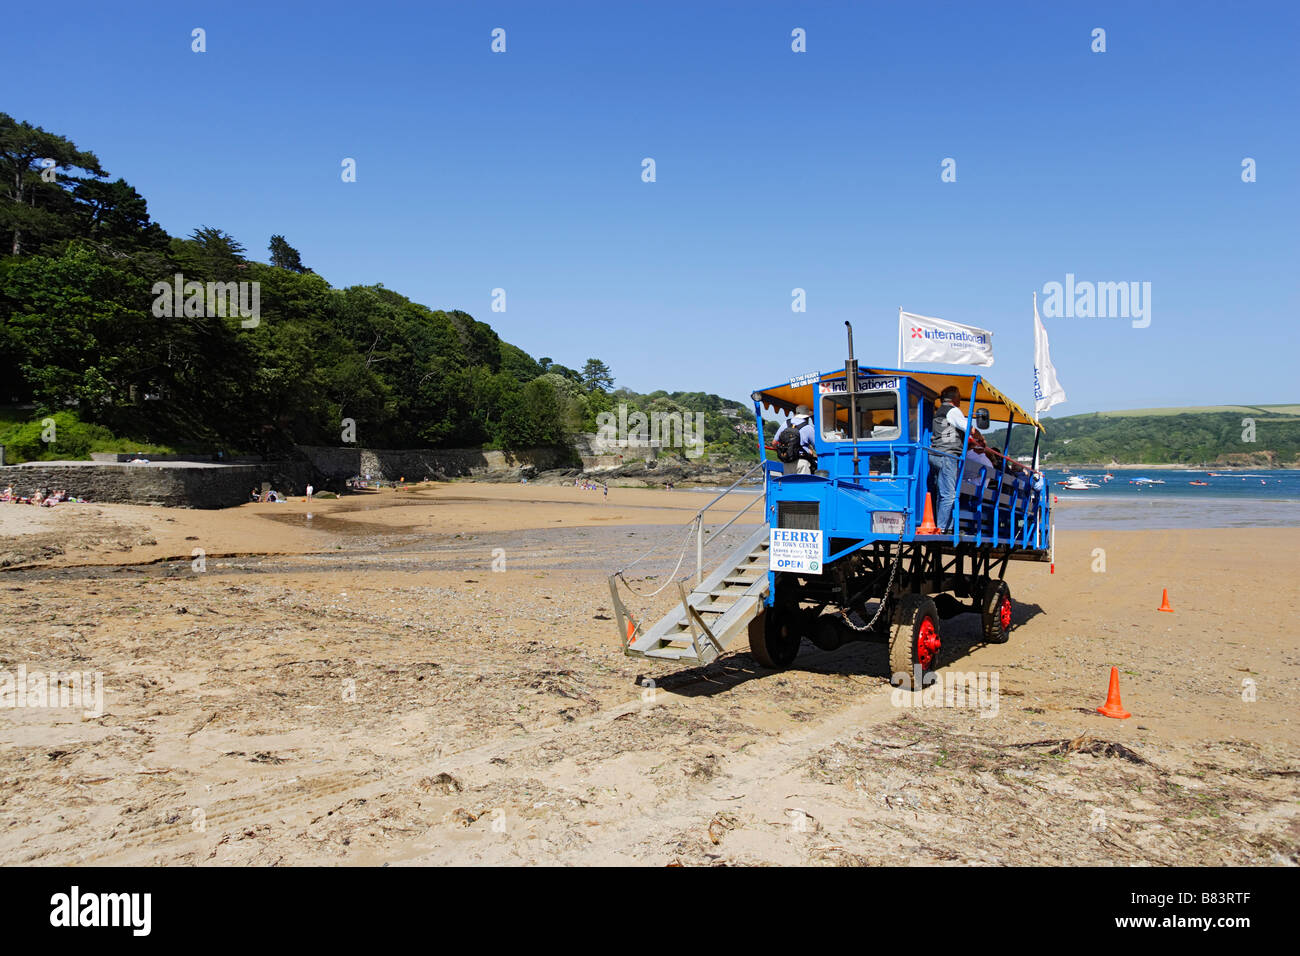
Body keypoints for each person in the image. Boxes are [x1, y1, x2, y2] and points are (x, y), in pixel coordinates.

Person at [928, 386, 969, 533]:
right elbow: (969, 427)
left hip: (935, 454)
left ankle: (943, 525)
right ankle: (943, 527)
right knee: (950, 494)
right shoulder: (953, 411)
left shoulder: (938, 412)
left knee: (942, 493)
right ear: (954, 398)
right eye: (959, 396)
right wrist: (980, 438)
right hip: (948, 455)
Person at [774, 405, 816, 475]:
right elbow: (817, 447)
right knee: (803, 485)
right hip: (802, 462)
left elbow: (774, 443)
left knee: (789, 485)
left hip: (787, 462)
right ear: (807, 417)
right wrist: (809, 451)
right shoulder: (808, 428)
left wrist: (784, 452)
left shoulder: (785, 424)